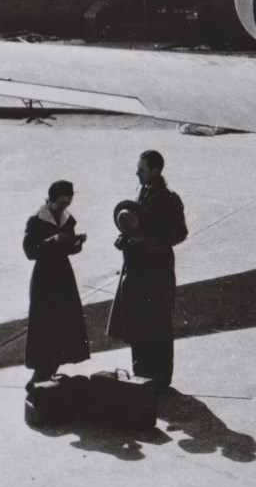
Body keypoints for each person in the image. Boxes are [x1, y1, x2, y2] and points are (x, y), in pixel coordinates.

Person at [106, 150, 188, 389]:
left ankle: (161, 381)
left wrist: (147, 240)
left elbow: (179, 233)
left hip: (156, 269)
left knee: (159, 325)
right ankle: (141, 375)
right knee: (137, 323)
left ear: (155, 171)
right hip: (135, 269)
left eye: (141, 169)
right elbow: (133, 226)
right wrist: (126, 238)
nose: (137, 173)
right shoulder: (141, 192)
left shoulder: (169, 199)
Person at [22, 179, 90, 387]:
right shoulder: (36, 221)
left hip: (62, 276)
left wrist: (76, 244)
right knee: (45, 324)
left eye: (67, 203)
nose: (64, 207)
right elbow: (30, 251)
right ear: (50, 200)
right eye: (61, 203)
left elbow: (68, 248)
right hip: (45, 277)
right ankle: (40, 374)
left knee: (63, 323)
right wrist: (54, 240)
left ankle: (50, 370)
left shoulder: (67, 220)